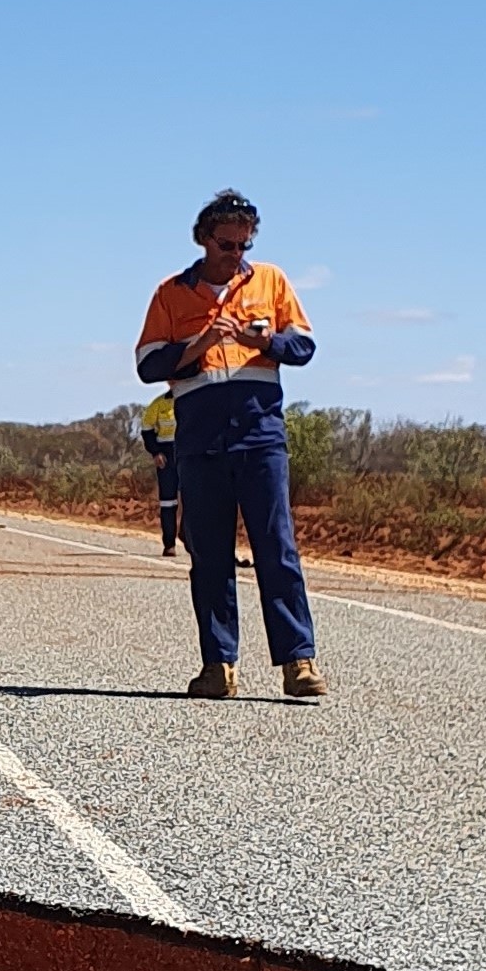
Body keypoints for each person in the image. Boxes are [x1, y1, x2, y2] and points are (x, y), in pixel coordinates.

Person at [135, 190, 326, 698]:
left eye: (244, 244)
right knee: (210, 555)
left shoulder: (271, 281)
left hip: (260, 434)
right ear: (203, 239)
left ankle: (299, 662)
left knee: (276, 548)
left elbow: (304, 346)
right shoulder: (171, 293)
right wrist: (199, 344)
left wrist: (265, 342)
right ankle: (219, 666)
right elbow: (148, 365)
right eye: (226, 244)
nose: (235, 253)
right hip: (200, 440)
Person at [139, 389, 181, 556]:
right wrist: (155, 452)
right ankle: (169, 544)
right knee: (168, 502)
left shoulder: (193, 398)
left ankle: (187, 534)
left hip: (188, 451)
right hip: (166, 455)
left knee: (193, 498)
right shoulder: (158, 403)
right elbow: (146, 429)